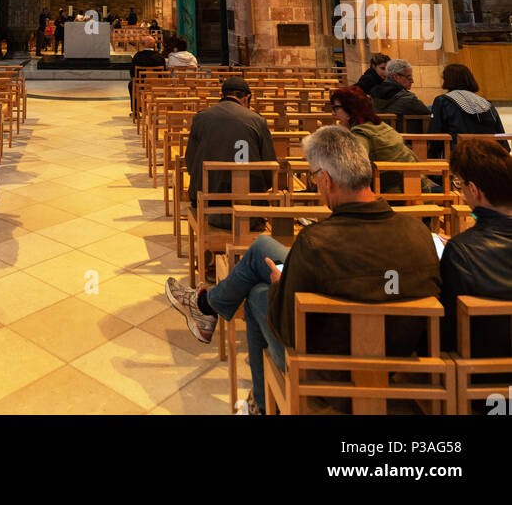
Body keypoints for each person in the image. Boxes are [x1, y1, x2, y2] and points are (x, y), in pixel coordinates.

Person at [166, 125, 440, 413]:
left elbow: (285, 328)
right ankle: (207, 308)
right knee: (261, 247)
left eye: (313, 177)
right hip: (399, 360)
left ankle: (260, 400)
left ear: (327, 180)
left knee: (258, 295)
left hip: (329, 371)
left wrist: (278, 287)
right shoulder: (417, 232)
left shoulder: (317, 243)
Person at [440, 138, 512, 358]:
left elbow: (447, 333)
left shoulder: (461, 251)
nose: (460, 191)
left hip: (484, 371)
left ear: (473, 189)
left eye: (459, 184)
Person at [184, 76, 276, 227]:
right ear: (247, 98)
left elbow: (190, 162)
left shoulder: (201, 117)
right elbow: (269, 166)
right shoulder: (257, 120)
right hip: (249, 207)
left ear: (222, 96)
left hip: (208, 202)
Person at [329, 84, 432, 192]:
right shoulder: (379, 125)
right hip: (417, 186)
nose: (333, 113)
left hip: (398, 195)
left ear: (350, 110)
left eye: (336, 108)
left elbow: (353, 168)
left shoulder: (361, 134)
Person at [429, 63, 508, 150]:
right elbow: (502, 139)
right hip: (489, 155)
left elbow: (435, 138)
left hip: (460, 156)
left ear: (447, 79)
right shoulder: (486, 103)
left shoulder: (442, 101)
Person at [370, 57, 431, 130]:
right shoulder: (408, 99)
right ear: (396, 76)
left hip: (379, 137)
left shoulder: (372, 96)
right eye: (408, 77)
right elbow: (428, 113)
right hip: (403, 139)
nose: (412, 81)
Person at [128, 36, 165, 108]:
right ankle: (158, 107)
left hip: (141, 84)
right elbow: (164, 72)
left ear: (143, 44)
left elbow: (132, 72)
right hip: (156, 84)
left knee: (131, 84)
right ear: (154, 45)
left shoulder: (138, 56)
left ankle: (136, 109)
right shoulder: (160, 57)